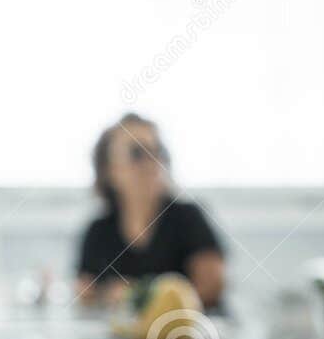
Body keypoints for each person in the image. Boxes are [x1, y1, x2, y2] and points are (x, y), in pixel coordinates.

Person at [76, 114, 226, 308]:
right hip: (126, 336)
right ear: (109, 169)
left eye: (158, 151)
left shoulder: (188, 218)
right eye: (137, 153)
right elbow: (84, 292)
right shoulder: (98, 231)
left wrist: (136, 295)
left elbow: (211, 288)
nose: (152, 161)